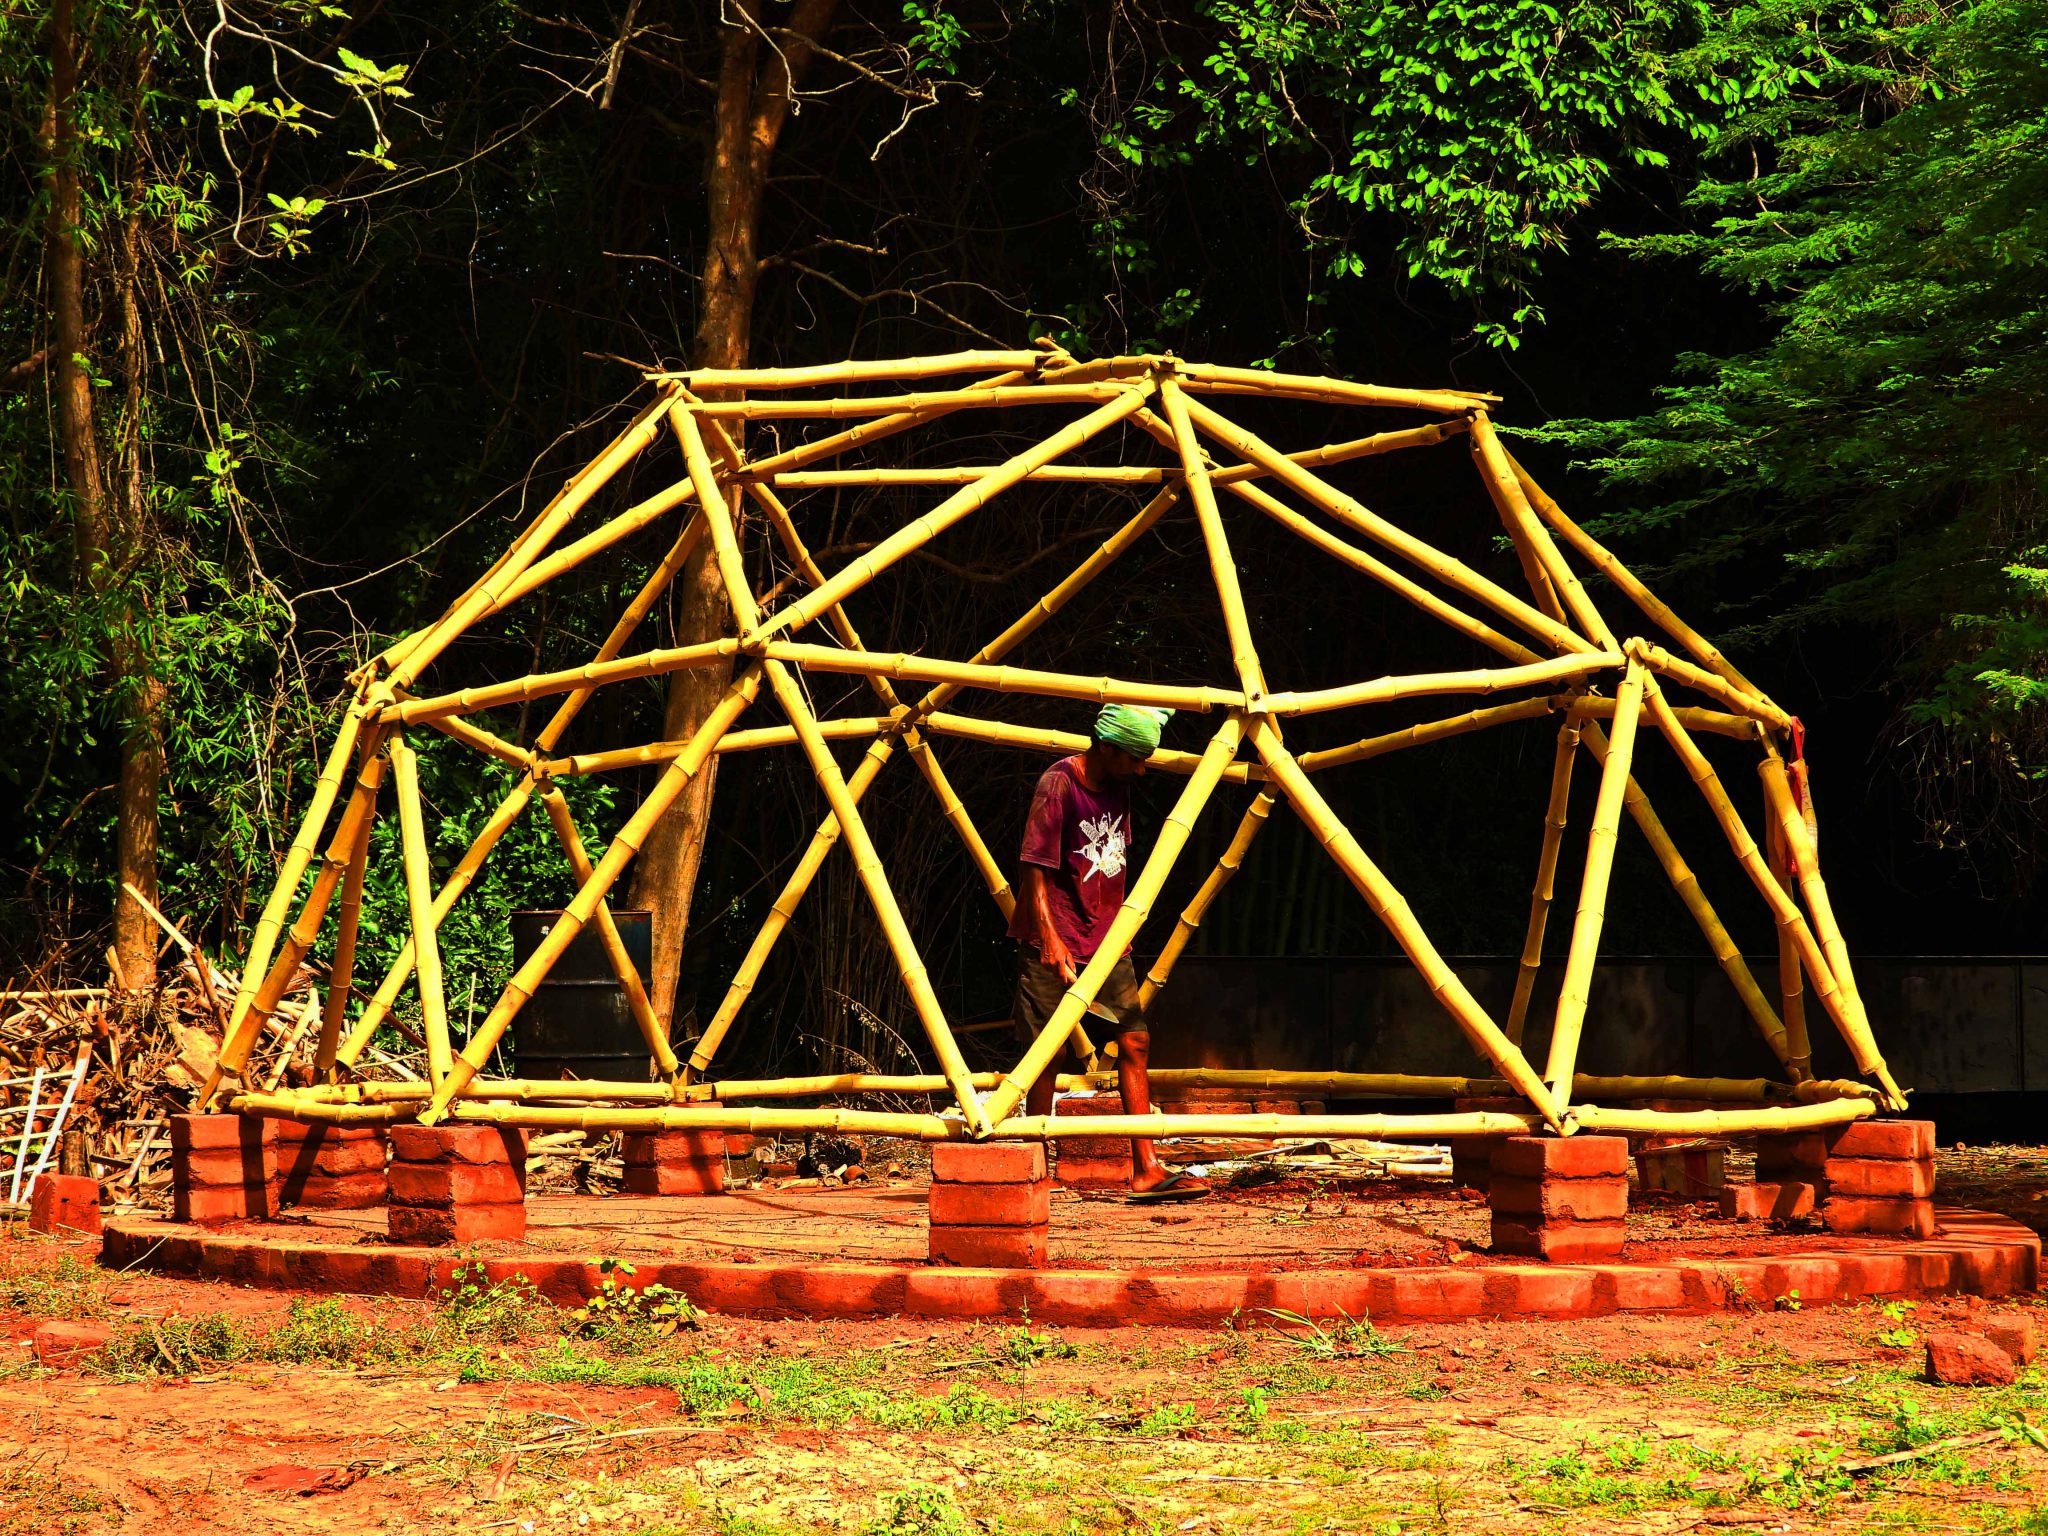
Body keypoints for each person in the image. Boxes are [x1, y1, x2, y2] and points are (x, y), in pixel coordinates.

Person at [1008, 702, 1208, 1202]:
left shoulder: (1119, 788)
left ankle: (1146, 1167)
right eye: (1135, 758)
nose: (1142, 769)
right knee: (1045, 1053)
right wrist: (1050, 939)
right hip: (1055, 934)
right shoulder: (1059, 784)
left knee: (1135, 1041)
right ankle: (1037, 1165)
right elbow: (1035, 866)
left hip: (1107, 937)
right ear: (1107, 747)